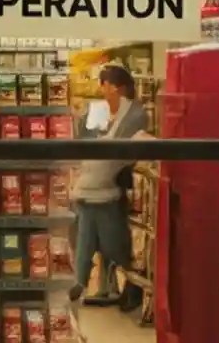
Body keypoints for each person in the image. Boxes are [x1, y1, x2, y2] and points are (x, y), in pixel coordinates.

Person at [69, 64, 148, 332]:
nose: (100, 89)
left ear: (116, 87)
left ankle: (129, 284)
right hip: (89, 188)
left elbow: (118, 151)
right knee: (87, 238)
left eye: (103, 84)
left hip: (108, 189)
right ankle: (79, 285)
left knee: (113, 244)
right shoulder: (100, 110)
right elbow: (85, 140)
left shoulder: (135, 114)